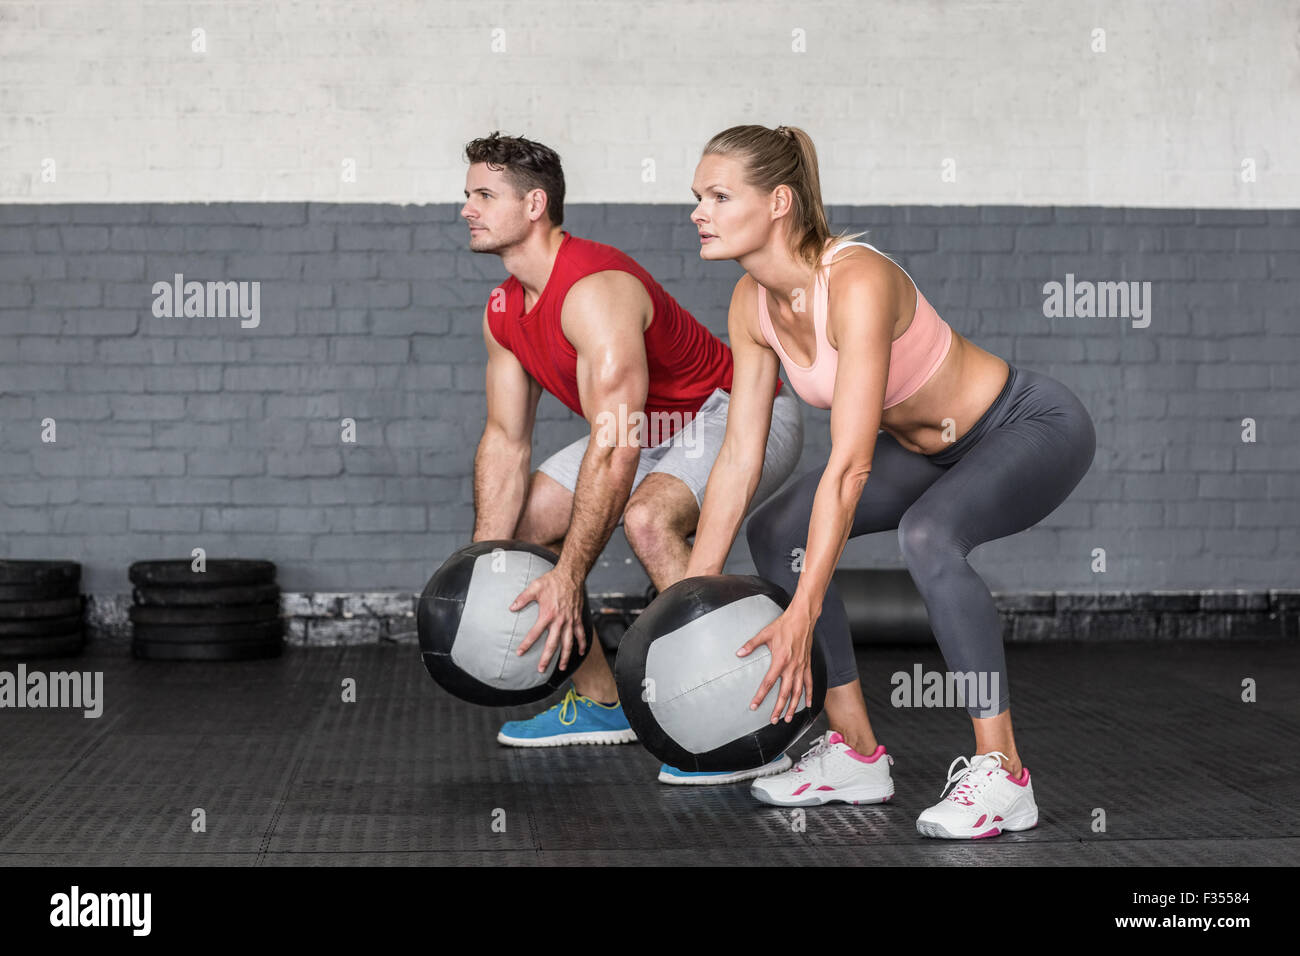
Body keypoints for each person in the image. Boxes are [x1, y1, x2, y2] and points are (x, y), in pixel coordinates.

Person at [683, 124, 1096, 838]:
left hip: (1025, 426)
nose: (699, 211)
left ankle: (1004, 773)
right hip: (928, 450)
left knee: (929, 536)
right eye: (697, 196)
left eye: (720, 196)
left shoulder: (856, 280)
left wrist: (805, 605)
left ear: (779, 202)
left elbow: (850, 461)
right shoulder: (750, 307)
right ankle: (857, 754)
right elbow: (739, 456)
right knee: (776, 530)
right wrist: (689, 599)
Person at [462, 131, 805, 784]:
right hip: (650, 429)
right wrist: (489, 564)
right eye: (468, 194)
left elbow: (616, 444)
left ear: (535, 205)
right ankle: (602, 701)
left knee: (647, 521)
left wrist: (568, 575)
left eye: (483, 195)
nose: (467, 208)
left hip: (732, 410)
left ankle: (741, 717)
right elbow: (506, 441)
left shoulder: (595, 290)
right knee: (526, 524)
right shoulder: (503, 310)